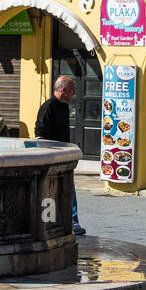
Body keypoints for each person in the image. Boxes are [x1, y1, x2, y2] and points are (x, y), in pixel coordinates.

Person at [35, 76, 85, 236]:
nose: (75, 94)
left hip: (63, 157)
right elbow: (40, 134)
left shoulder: (63, 107)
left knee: (69, 188)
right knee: (50, 191)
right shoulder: (48, 107)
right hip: (51, 157)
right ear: (63, 90)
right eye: (72, 90)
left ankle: (72, 220)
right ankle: (54, 221)